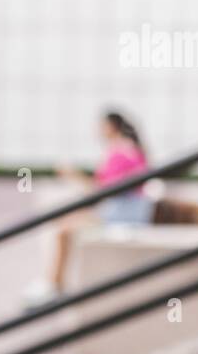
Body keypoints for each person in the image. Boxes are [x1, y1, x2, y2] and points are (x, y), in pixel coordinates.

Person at [24, 110, 154, 307]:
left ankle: (54, 285)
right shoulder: (129, 149)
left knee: (63, 230)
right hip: (127, 211)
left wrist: (71, 174)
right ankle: (54, 284)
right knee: (64, 223)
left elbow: (100, 190)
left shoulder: (119, 152)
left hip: (122, 215)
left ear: (111, 127)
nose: (97, 131)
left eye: (101, 126)